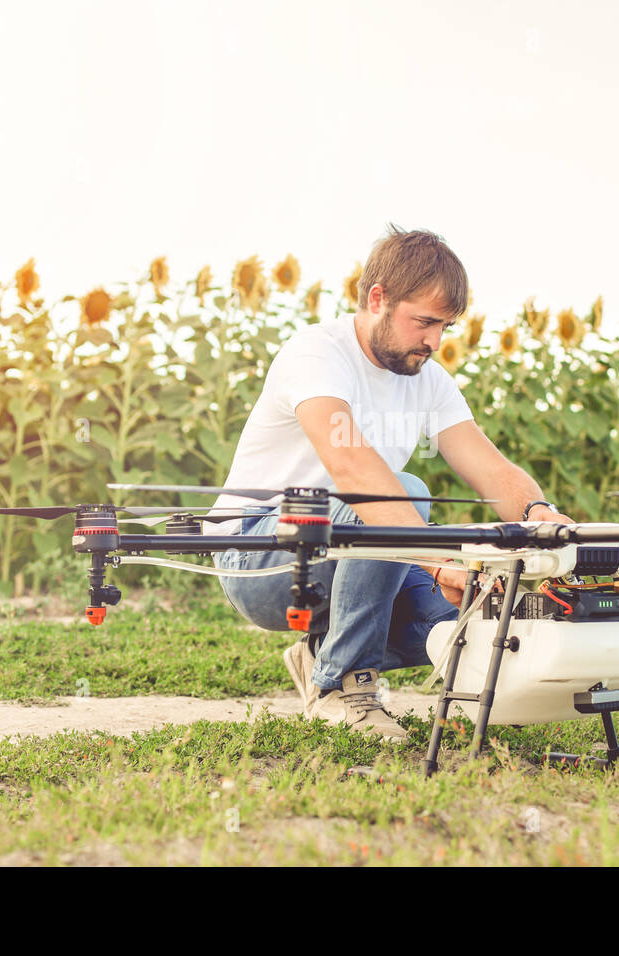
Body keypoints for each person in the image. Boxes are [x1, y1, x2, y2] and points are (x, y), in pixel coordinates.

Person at [212, 225, 573, 740]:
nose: (434, 341)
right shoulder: (315, 355)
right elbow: (354, 471)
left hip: (359, 546)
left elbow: (491, 469)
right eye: (424, 321)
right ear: (377, 298)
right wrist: (437, 560)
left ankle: (323, 652)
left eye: (445, 326)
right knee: (405, 489)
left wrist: (539, 514)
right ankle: (344, 687)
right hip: (261, 553)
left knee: (477, 608)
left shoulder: (427, 378)